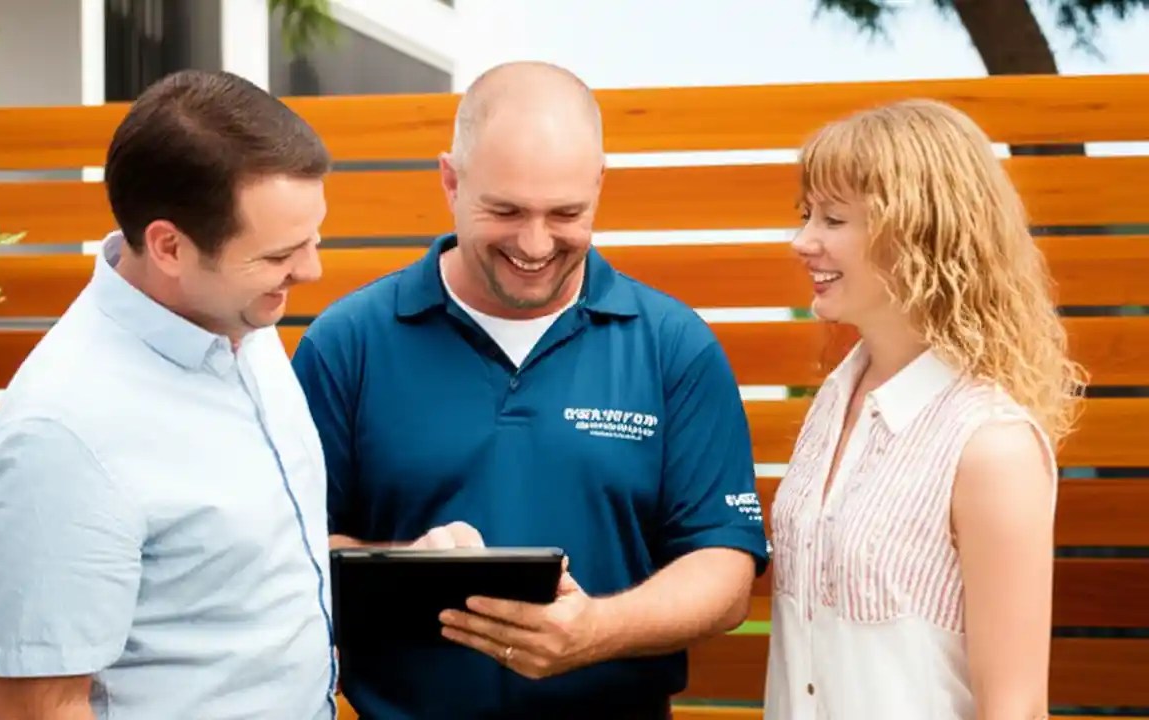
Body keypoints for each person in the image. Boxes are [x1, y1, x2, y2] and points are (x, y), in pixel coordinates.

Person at [291, 61, 769, 720]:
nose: (536, 243)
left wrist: (594, 631)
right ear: (451, 181)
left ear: (599, 186)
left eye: (566, 213)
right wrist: (402, 563)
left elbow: (724, 570)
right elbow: (286, 551)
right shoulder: (349, 343)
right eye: (506, 210)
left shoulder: (673, 347)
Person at [0, 69, 338, 720]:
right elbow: (43, 708)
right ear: (170, 246)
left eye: (314, 238)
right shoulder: (62, 433)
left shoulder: (238, 319)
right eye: (282, 253)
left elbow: (241, 568)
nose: (311, 270)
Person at [763, 98, 1086, 719]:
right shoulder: (831, 404)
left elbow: (1014, 708)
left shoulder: (992, 447)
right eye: (807, 215)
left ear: (918, 232)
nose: (803, 242)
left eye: (833, 219)